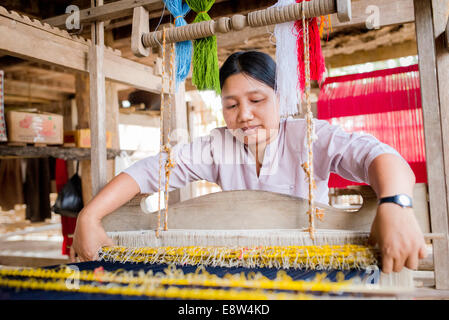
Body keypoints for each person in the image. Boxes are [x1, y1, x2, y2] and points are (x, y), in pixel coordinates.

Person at [72, 51, 427, 273]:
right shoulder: (218, 145)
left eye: (257, 99)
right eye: (231, 105)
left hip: (311, 265)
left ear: (281, 98)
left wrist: (396, 205)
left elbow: (380, 156)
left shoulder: (309, 135)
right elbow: (148, 171)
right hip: (242, 264)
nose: (244, 115)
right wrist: (89, 216)